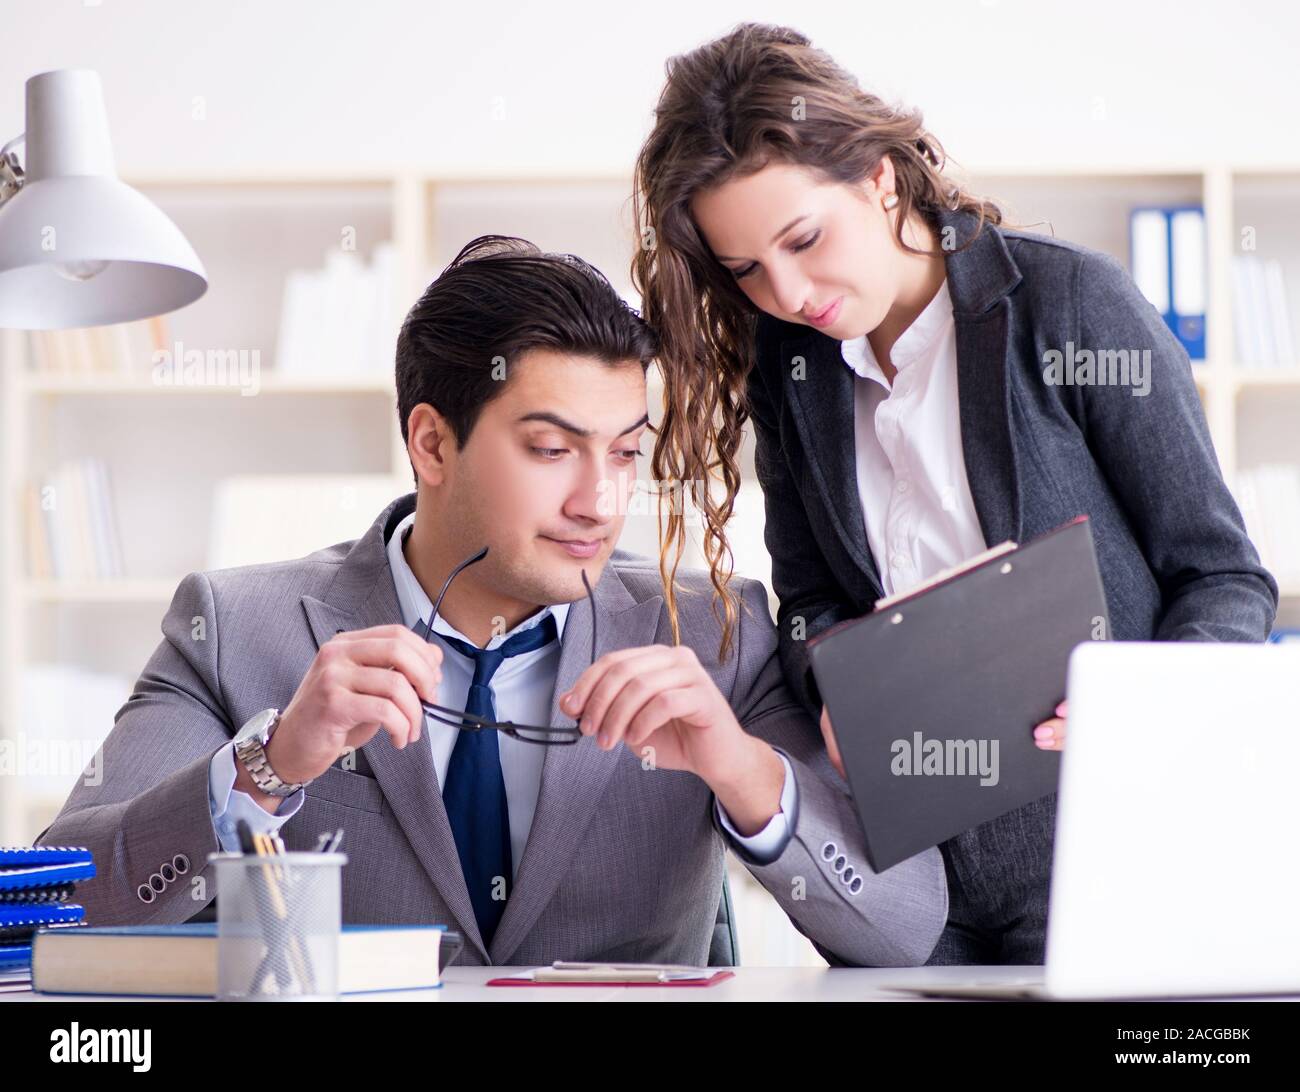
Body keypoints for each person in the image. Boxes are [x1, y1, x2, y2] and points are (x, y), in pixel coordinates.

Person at [37, 234, 946, 968]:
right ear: (432, 445)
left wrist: (743, 772)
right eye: (552, 449)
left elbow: (906, 929)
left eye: (626, 452)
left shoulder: (717, 631)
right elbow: (60, 909)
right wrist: (269, 767)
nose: (599, 500)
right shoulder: (235, 631)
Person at [630, 23, 1277, 964]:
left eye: (804, 239)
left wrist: (1137, 706)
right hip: (915, 892)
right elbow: (808, 601)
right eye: (747, 270)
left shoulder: (1068, 306)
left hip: (1111, 859)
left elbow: (1223, 577)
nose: (789, 289)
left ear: (880, 177)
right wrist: (841, 693)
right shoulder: (793, 370)